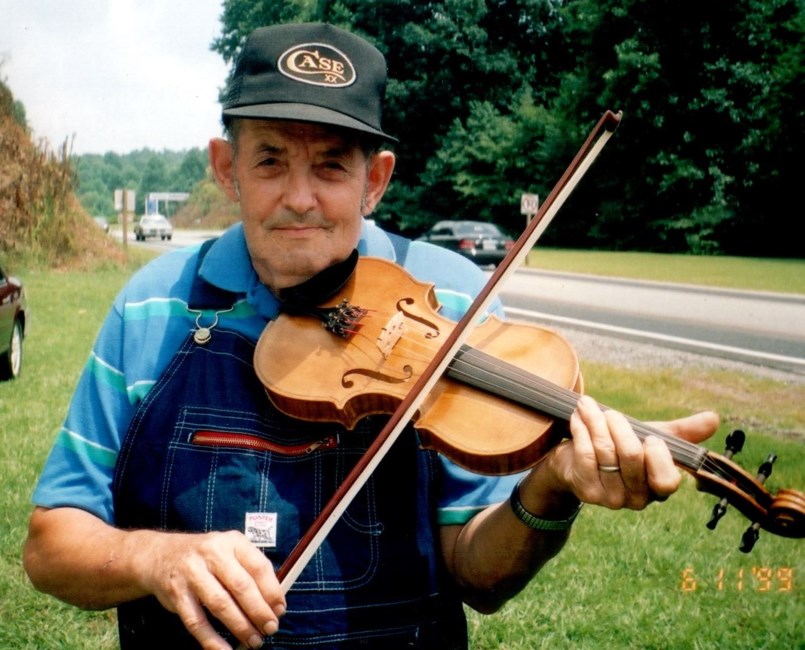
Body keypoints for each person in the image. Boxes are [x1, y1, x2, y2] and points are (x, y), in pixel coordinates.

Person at [23, 22, 718, 650]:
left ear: (375, 180)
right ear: (225, 168)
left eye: (330, 165)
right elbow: (51, 545)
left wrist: (550, 489)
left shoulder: (446, 300)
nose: (299, 197)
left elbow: (477, 573)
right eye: (269, 160)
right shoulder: (154, 305)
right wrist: (155, 558)